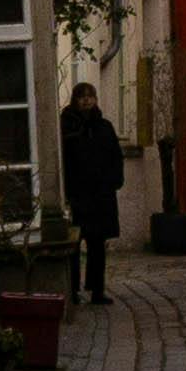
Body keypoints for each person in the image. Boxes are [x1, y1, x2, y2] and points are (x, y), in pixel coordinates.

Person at [57, 83, 125, 303]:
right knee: (74, 245)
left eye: (90, 96)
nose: (86, 100)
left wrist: (114, 181)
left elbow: (115, 156)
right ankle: (73, 290)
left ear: (95, 99)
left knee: (98, 244)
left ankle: (97, 289)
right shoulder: (67, 126)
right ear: (75, 100)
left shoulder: (104, 127)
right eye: (82, 96)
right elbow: (62, 160)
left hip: (101, 194)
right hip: (77, 193)